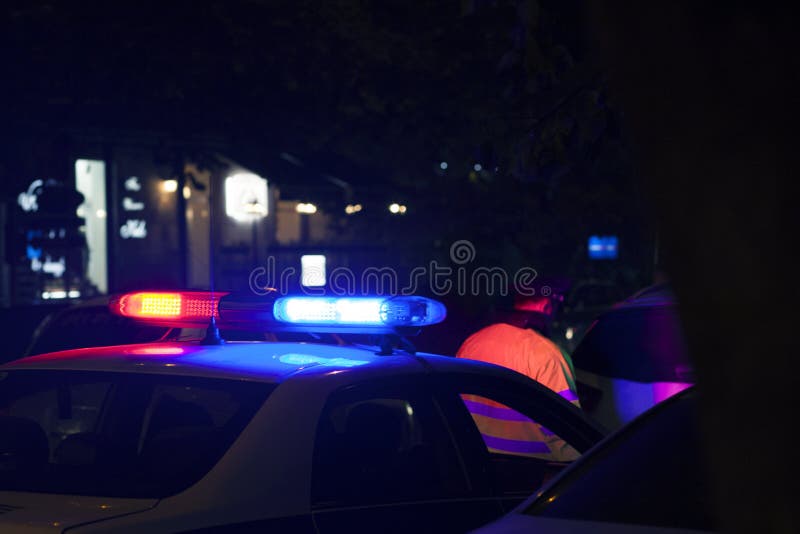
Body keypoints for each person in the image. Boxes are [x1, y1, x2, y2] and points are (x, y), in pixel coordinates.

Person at [456, 304, 580, 462]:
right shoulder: (546, 354)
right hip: (533, 477)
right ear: (547, 308)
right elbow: (568, 443)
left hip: (474, 466)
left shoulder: (472, 343)